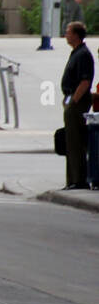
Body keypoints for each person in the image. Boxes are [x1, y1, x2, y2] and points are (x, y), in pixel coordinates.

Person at [61, 21, 94, 190]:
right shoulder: (76, 52)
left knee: (76, 142)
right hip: (71, 100)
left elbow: (85, 81)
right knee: (70, 141)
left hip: (78, 102)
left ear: (76, 34)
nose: (66, 34)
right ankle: (72, 179)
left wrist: (73, 101)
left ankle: (79, 179)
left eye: (68, 31)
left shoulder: (83, 54)